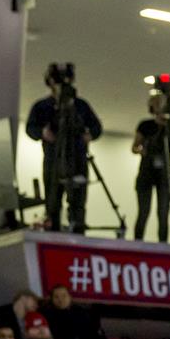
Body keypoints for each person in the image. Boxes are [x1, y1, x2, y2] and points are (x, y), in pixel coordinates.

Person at [24, 64, 102, 232]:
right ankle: (53, 236)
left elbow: (97, 128)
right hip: (53, 159)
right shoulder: (42, 106)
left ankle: (77, 233)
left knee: (78, 203)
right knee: (52, 203)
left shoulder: (80, 106)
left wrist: (89, 136)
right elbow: (31, 129)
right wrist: (43, 133)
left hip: (78, 158)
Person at [131, 89, 170, 242]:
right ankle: (138, 242)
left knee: (163, 212)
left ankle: (162, 243)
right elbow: (135, 147)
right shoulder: (145, 125)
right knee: (144, 211)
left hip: (164, 175)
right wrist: (142, 149)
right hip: (146, 173)